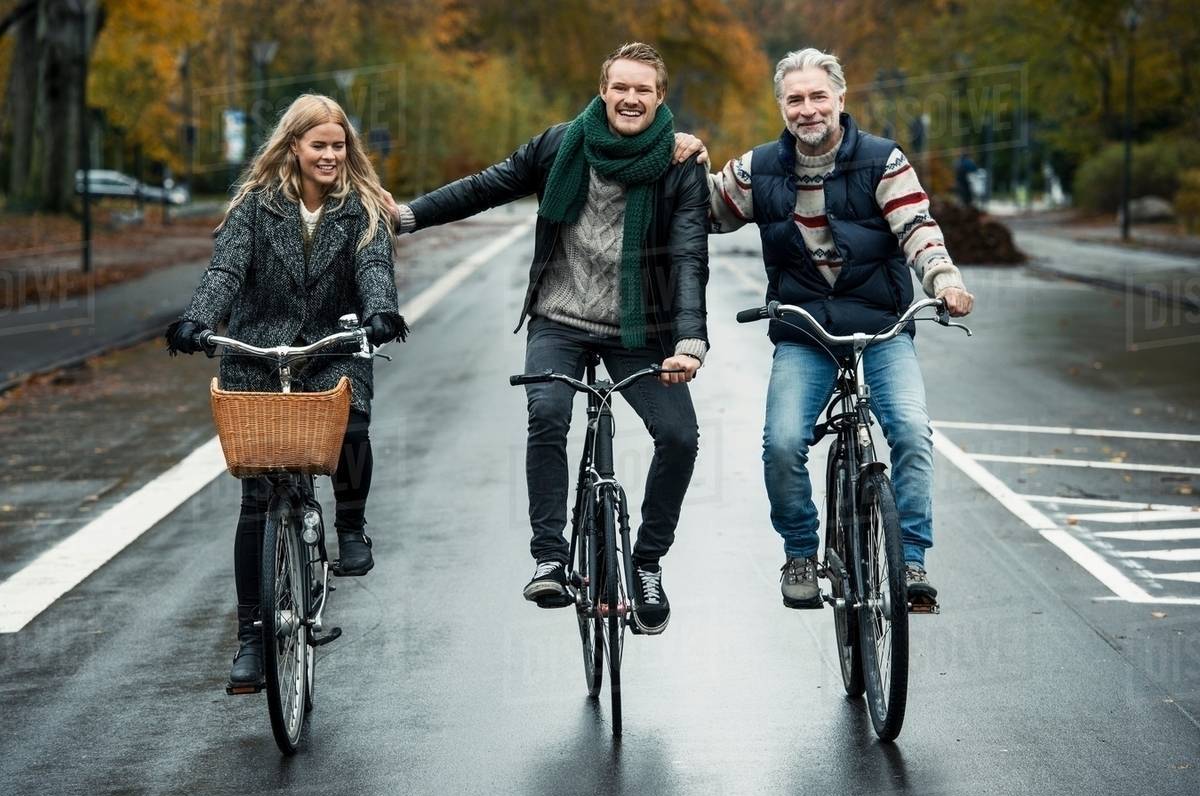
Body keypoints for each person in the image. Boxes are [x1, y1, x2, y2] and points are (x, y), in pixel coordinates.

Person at [388, 42, 709, 634]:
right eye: (621, 87)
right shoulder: (561, 145)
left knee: (680, 436)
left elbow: (689, 255)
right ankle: (550, 558)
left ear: (660, 97)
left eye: (643, 89)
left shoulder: (681, 166)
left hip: (640, 330)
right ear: (603, 89)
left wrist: (690, 342)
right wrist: (411, 216)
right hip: (558, 320)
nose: (630, 98)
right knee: (548, 412)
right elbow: (490, 185)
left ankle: (647, 563)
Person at [707, 48, 974, 608]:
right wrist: (679, 156)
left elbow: (917, 229)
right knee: (781, 443)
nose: (808, 110)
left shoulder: (883, 161)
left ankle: (913, 559)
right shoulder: (758, 168)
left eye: (818, 97)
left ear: (840, 100)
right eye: (795, 99)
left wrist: (944, 282)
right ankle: (801, 552)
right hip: (805, 333)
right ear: (781, 105)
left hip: (880, 327)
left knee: (909, 430)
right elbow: (706, 207)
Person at [166, 94, 407, 686]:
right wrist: (199, 319)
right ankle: (250, 639)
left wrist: (379, 312)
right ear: (294, 147)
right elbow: (226, 270)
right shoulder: (253, 207)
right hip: (260, 354)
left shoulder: (365, 208)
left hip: (330, 349)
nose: (329, 155)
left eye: (338, 145)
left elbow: (374, 268)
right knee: (255, 503)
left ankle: (350, 525)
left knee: (351, 421)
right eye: (318, 145)